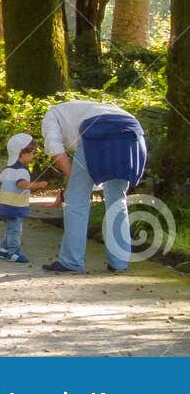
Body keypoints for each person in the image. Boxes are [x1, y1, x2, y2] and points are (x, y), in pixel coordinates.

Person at [40, 98, 147, 274]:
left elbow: (56, 151)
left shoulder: (50, 116)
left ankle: (71, 262)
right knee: (117, 199)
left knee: (76, 201)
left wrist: (73, 186)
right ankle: (119, 262)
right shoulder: (86, 108)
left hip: (99, 133)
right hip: (133, 133)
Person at [0, 132, 48, 264]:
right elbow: (21, 184)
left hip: (4, 204)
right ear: (22, 153)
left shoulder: (7, 169)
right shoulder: (22, 171)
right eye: (32, 153)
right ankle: (14, 252)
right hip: (15, 206)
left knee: (10, 228)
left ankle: (4, 250)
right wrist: (38, 185)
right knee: (15, 230)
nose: (33, 156)